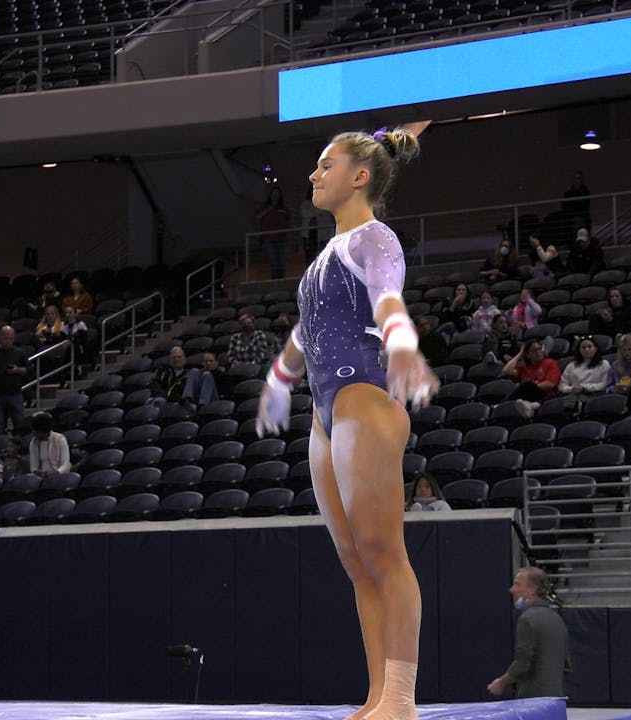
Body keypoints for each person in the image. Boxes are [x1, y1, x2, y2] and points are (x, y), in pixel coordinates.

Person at [255, 123, 436, 720]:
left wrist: (403, 343)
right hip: (325, 412)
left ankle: (402, 701)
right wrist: (281, 380)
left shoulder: (374, 238)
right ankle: (376, 695)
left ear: (359, 177)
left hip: (362, 397)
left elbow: (388, 297)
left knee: (385, 553)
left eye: (324, 164)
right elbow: (308, 331)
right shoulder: (323, 257)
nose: (313, 174)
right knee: (356, 563)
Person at [487, 567, 569, 699]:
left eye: (517, 584)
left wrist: (500, 683)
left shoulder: (527, 620)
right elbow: (566, 665)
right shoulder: (557, 619)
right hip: (556, 701)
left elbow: (522, 664)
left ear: (532, 590)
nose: (512, 589)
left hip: (533, 702)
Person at [504, 338, 561, 418]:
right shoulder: (524, 368)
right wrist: (520, 354)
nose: (538, 352)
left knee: (527, 384)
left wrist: (530, 387)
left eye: (539, 349)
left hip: (545, 395)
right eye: (534, 351)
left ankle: (501, 405)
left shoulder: (550, 362)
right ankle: (506, 405)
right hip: (526, 397)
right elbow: (507, 371)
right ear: (527, 355)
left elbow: (550, 384)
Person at [150, 346, 219, 407]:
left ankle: (195, 403)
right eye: (174, 357)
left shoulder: (192, 374)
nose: (176, 359)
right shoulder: (164, 372)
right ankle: (188, 400)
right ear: (170, 360)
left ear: (185, 359)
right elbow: (155, 384)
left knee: (202, 373)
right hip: (176, 401)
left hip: (205, 401)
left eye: (179, 357)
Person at [558, 337, 610, 401]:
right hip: (572, 396)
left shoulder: (604, 364)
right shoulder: (571, 365)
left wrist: (584, 388)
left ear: (595, 349)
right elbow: (562, 385)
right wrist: (571, 389)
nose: (586, 349)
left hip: (595, 396)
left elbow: (604, 384)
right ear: (579, 350)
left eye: (590, 347)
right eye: (583, 347)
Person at [259, 185, 291, 279]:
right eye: (274, 193)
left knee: (281, 262)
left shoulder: (284, 209)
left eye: (277, 194)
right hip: (269, 239)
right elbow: (258, 217)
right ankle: (275, 280)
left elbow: (288, 221)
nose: (275, 196)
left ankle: (282, 279)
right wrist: (270, 209)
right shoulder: (264, 207)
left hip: (281, 238)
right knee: (273, 261)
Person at [27, 411, 71, 478]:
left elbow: (65, 464)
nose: (33, 432)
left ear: (41, 431)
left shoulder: (60, 439)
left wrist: (56, 472)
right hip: (42, 478)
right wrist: (36, 471)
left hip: (59, 477)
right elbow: (33, 466)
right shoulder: (33, 443)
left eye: (35, 431)